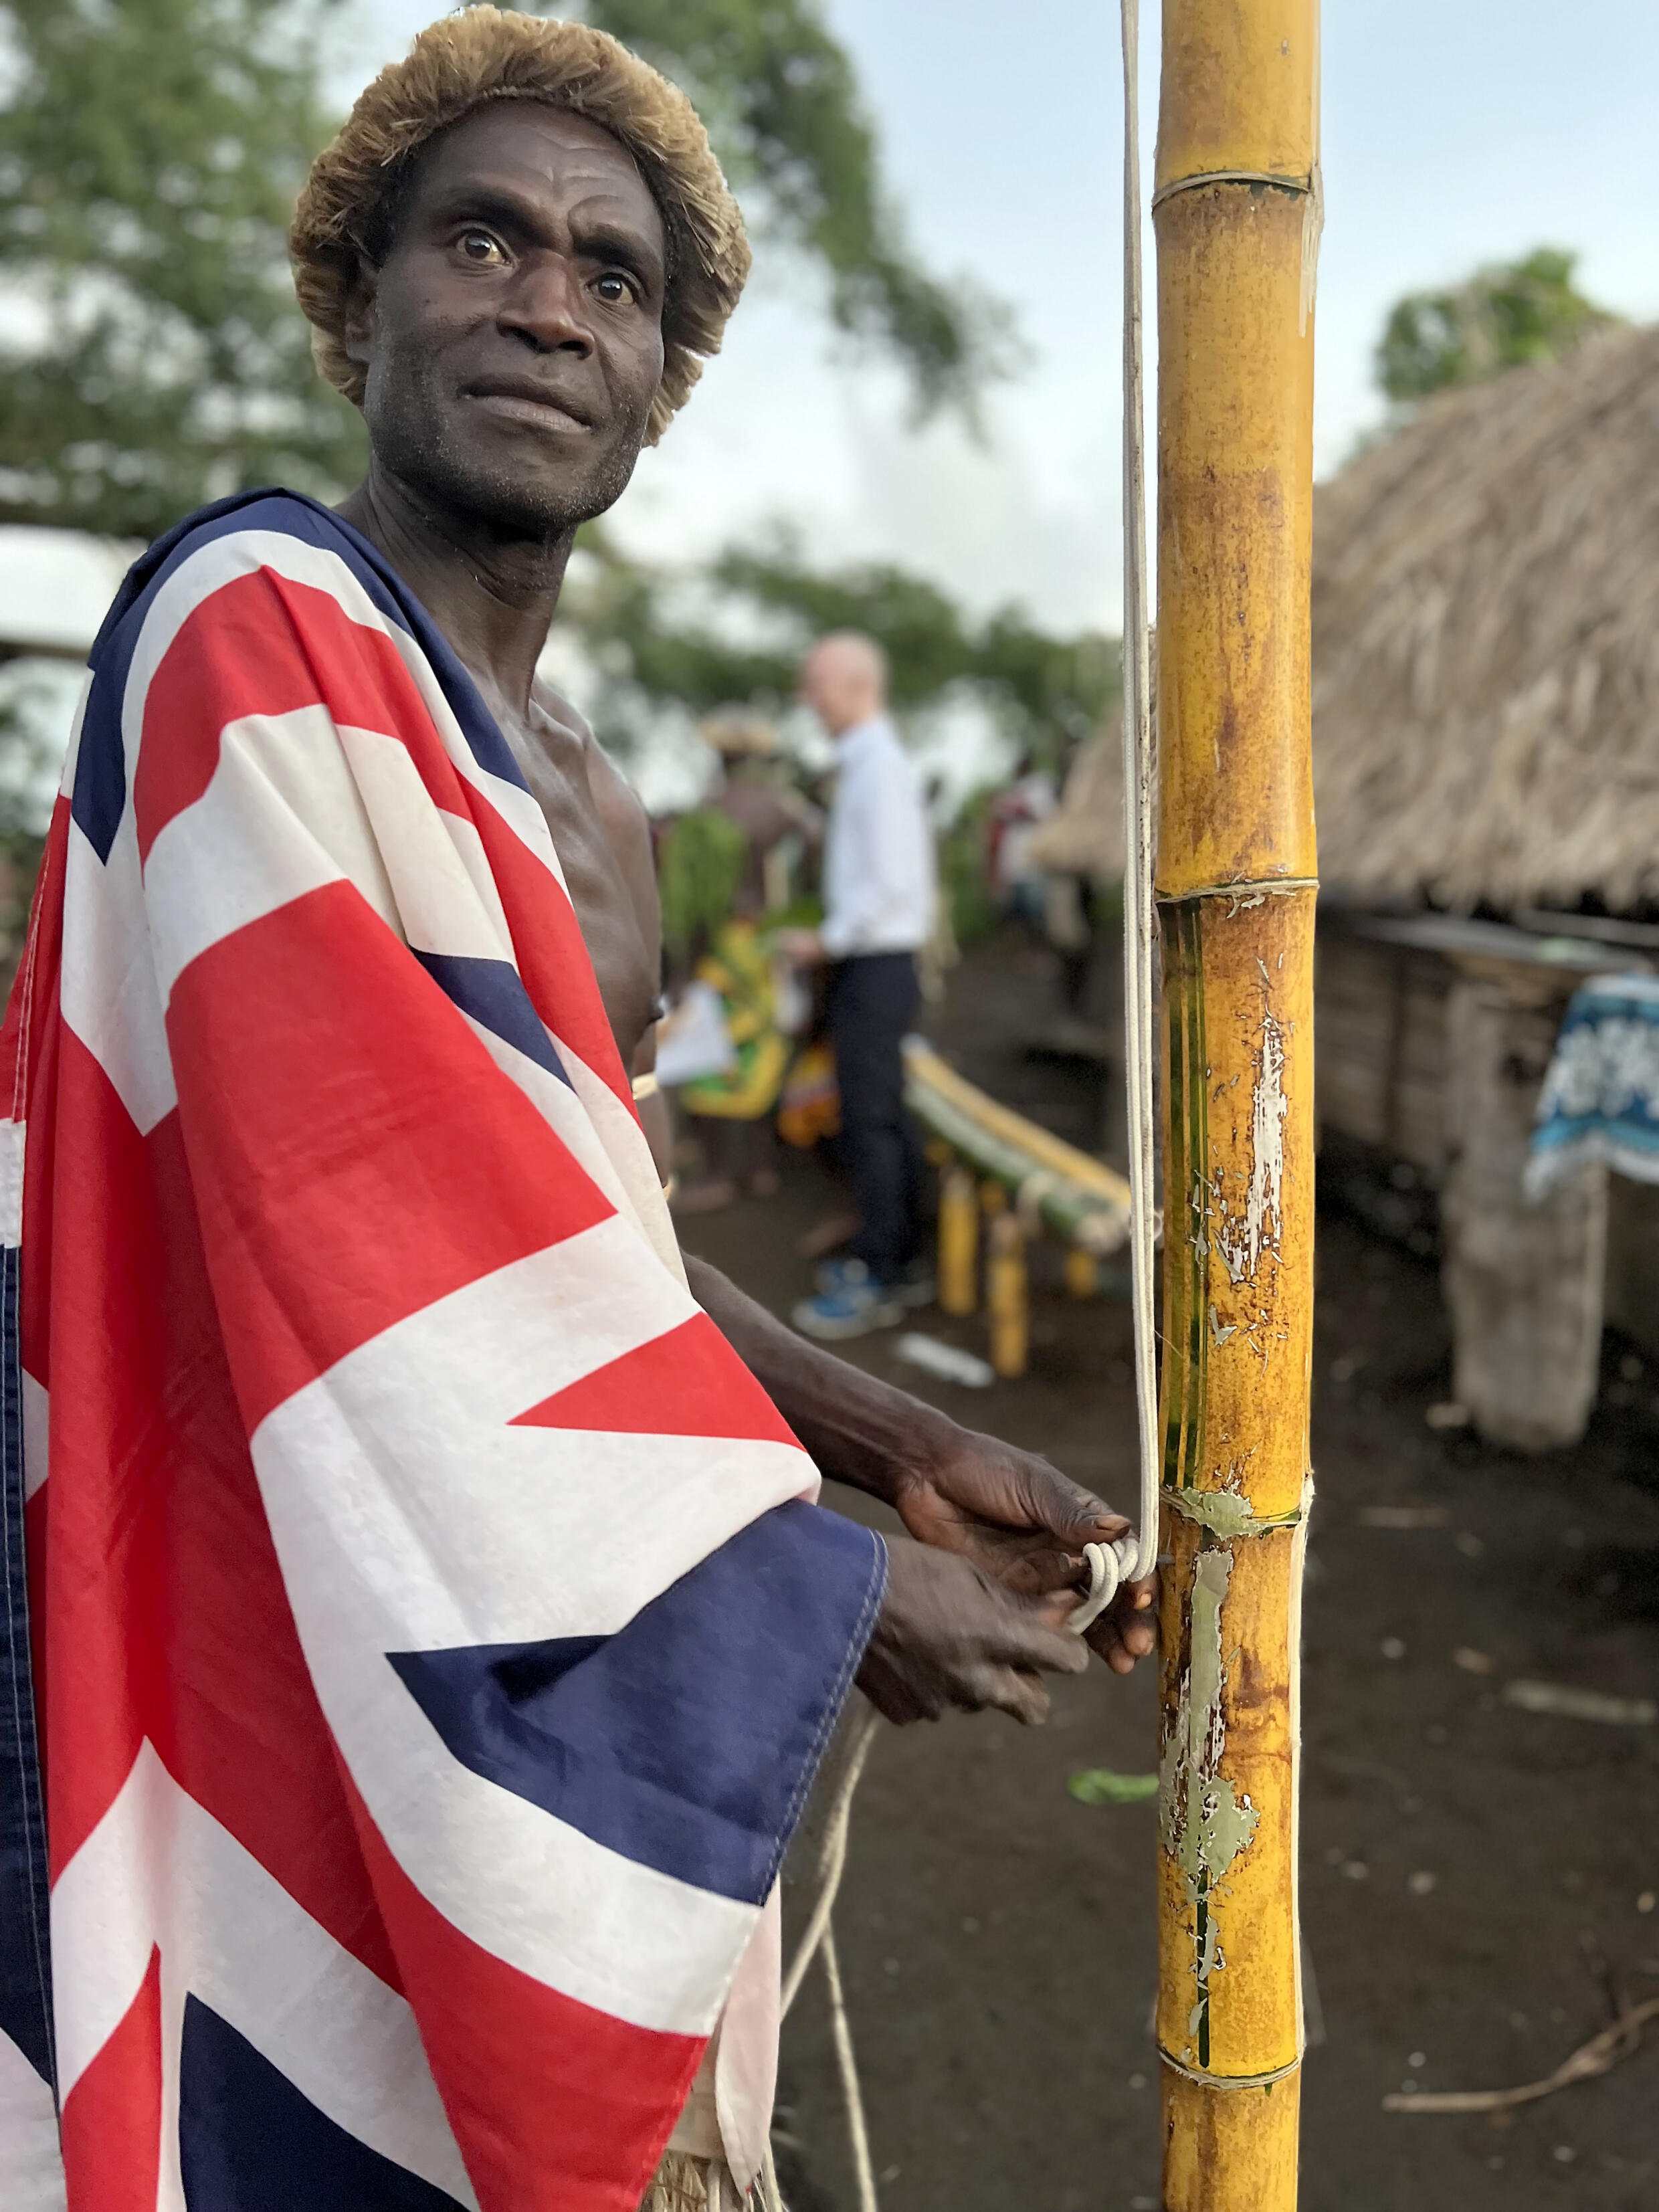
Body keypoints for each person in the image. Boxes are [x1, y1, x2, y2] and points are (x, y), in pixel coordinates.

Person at [0, 15, 1153, 2210]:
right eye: (487, 242)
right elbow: (379, 1257)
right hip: (257, 1619)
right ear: (360, 301)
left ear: (667, 370)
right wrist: (815, 1572)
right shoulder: (251, 638)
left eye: (613, 277)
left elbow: (566, 1237)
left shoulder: (599, 795)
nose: (549, 302)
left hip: (495, 1629)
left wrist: (886, 1436)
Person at [788, 632, 938, 1339]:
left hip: (876, 963)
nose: (808, 700)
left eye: (816, 684)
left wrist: (827, 937)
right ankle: (899, 1258)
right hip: (875, 962)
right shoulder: (867, 765)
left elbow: (889, 882)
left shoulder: (877, 769)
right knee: (880, 1113)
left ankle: (883, 1270)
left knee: (871, 1119)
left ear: (854, 685)